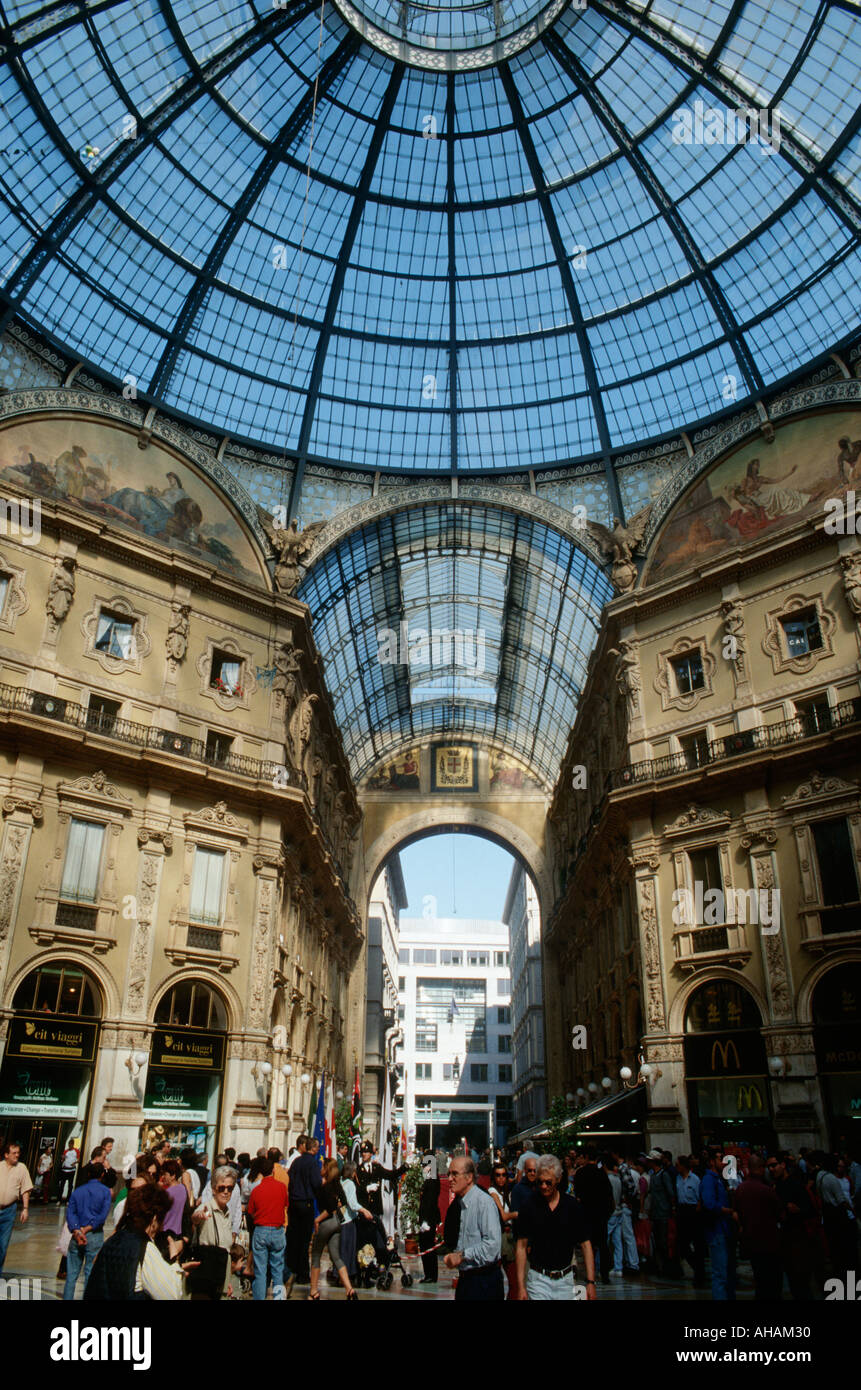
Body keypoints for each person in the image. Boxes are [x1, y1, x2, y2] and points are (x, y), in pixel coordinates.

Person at [84, 1184, 199, 1300]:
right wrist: (175, 1261)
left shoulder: (113, 1240)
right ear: (154, 1219)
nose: (162, 1227)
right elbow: (172, 1295)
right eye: (161, 1220)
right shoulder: (145, 1248)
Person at [515, 1154, 596, 1301]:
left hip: (566, 1280)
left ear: (558, 1180)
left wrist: (590, 1282)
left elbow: (585, 1244)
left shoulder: (572, 1206)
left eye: (548, 1182)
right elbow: (521, 1246)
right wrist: (521, 1286)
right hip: (538, 1279)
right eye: (540, 1182)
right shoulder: (529, 1205)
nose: (544, 1186)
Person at [443, 1156, 503, 1301]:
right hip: (467, 1281)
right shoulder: (460, 1204)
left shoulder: (484, 1203)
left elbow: (492, 1247)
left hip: (484, 1283)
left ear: (469, 1177)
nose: (450, 1179)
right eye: (449, 1174)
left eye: (455, 1174)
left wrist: (462, 1256)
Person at [308, 1159, 360, 1300]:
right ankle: (349, 1290)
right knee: (336, 1256)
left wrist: (317, 1220)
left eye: (323, 1166)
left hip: (326, 1223)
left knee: (316, 1255)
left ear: (326, 1169)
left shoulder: (325, 1187)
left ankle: (313, 1291)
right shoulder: (337, 1185)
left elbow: (329, 1208)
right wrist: (336, 1204)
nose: (320, 1169)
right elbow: (343, 1201)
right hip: (338, 1223)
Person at [733, 1152, 781, 1300]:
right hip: (769, 1242)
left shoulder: (741, 1189)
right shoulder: (766, 1190)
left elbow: (736, 1214)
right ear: (761, 1168)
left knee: (760, 1279)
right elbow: (779, 1213)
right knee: (772, 1282)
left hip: (751, 1242)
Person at [64, 1161, 113, 1300]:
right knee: (90, 1274)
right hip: (94, 1234)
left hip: (76, 1235)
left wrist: (77, 1230)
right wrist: (87, 1229)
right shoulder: (105, 1192)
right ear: (102, 1175)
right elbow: (102, 1216)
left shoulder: (78, 1191)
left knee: (71, 1275)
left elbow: (70, 1213)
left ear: (89, 1174)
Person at [193, 1164, 241, 1299]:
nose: (226, 1192)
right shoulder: (206, 1208)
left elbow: (225, 1249)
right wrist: (197, 1216)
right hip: (206, 1281)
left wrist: (228, 1281)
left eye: (230, 1188)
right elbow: (196, 1217)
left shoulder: (227, 1212)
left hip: (220, 1279)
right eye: (221, 1188)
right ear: (214, 1189)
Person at [771, 1152, 813, 1301]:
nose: (771, 1169)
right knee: (793, 1281)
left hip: (798, 1238)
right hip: (784, 1240)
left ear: (783, 1165)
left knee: (801, 1281)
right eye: (769, 1166)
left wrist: (798, 1210)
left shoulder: (795, 1185)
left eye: (774, 1165)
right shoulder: (776, 1187)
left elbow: (810, 1210)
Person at [247, 1156, 289, 1300]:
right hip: (277, 1230)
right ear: (273, 1170)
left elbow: (251, 1211)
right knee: (278, 1271)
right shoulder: (282, 1187)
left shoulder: (256, 1190)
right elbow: (285, 1205)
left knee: (260, 1271)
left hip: (261, 1230)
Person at [573, 1146, 613, 1284]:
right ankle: (605, 1273)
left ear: (585, 1157)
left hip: (586, 1215)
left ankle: (590, 1274)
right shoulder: (601, 1173)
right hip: (600, 1214)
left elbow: (577, 1196)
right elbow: (609, 1195)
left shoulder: (580, 1174)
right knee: (603, 1244)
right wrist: (607, 1212)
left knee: (587, 1244)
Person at [700, 1147, 736, 1300]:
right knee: (720, 1272)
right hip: (717, 1230)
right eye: (720, 1158)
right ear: (711, 1162)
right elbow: (708, 1203)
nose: (724, 1162)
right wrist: (727, 1211)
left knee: (726, 1271)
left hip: (724, 1229)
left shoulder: (719, 1179)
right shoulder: (709, 1180)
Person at [287, 1135, 321, 1285]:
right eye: (317, 1147)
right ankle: (302, 1273)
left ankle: (290, 1269)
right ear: (313, 1148)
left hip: (294, 1203)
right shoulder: (312, 1163)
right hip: (306, 1203)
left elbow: (290, 1181)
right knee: (304, 1239)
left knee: (293, 1238)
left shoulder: (296, 1161)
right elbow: (316, 1183)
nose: (318, 1149)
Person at [604, 1153, 639, 1277]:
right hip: (620, 1209)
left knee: (610, 1239)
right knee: (618, 1239)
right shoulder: (618, 1176)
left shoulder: (618, 1173)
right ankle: (619, 1266)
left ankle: (631, 1264)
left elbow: (630, 1188)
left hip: (616, 1211)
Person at [0, 1140, 32, 1276]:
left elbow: (25, 1190)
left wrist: (25, 1209)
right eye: (14, 1153)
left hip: (9, 1210)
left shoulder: (22, 1168)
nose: (17, 1155)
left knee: (2, 1246)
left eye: (18, 1153)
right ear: (6, 1154)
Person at [675, 1153, 705, 1286]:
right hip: (682, 1210)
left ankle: (699, 1274)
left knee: (697, 1243)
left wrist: (698, 1209)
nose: (676, 1167)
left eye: (678, 1165)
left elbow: (700, 1197)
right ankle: (696, 1266)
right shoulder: (677, 1178)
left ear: (683, 1166)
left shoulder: (695, 1179)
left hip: (693, 1211)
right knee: (683, 1244)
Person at [488, 1159, 517, 1296]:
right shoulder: (493, 1192)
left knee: (514, 1280)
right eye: (498, 1175)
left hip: (508, 1238)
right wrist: (518, 1214)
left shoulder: (505, 1193)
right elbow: (503, 1216)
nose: (501, 1178)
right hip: (498, 1238)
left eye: (504, 1175)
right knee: (497, 1280)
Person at [338, 1160, 370, 1283]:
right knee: (348, 1249)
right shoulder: (350, 1184)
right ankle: (347, 1275)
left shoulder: (341, 1181)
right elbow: (352, 1203)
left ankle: (339, 1274)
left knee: (341, 1249)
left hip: (340, 1219)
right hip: (348, 1220)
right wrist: (364, 1210)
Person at [418, 1152, 442, 1284]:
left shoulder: (432, 1181)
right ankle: (429, 1274)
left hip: (428, 1218)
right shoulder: (429, 1178)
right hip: (426, 1218)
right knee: (425, 1246)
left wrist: (426, 1220)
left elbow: (430, 1202)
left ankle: (431, 1275)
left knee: (427, 1246)